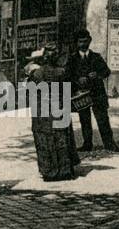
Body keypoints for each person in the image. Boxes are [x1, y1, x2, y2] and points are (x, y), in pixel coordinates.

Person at [24, 47, 79, 181]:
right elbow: (72, 89)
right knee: (62, 138)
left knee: (44, 139)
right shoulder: (62, 72)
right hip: (59, 109)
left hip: (42, 112)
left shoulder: (36, 74)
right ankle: (64, 170)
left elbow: (28, 93)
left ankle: (48, 171)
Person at [68, 30, 119, 152]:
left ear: (89, 41)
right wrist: (78, 80)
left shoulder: (96, 57)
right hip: (82, 95)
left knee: (103, 119)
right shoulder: (72, 59)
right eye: (80, 42)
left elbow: (107, 71)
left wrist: (97, 74)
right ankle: (87, 144)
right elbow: (68, 76)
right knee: (84, 120)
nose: (83, 44)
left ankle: (109, 144)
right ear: (76, 43)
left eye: (85, 41)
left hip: (97, 93)